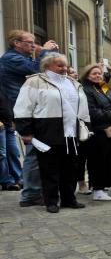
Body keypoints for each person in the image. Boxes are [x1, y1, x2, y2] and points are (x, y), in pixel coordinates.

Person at [13, 53, 90, 213]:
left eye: (65, 65)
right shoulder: (34, 81)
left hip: (71, 132)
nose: (64, 68)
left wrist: (86, 126)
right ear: (47, 66)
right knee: (49, 169)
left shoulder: (73, 83)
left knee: (70, 168)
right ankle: (51, 201)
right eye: (59, 65)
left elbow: (82, 108)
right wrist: (25, 130)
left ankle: (69, 199)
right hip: (47, 131)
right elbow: (23, 106)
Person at [0, 30, 58, 201]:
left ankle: (28, 187)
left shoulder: (19, 58)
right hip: (24, 111)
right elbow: (37, 69)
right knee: (33, 150)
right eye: (29, 42)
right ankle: (30, 192)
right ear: (16, 43)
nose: (33, 45)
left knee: (28, 150)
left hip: (23, 109)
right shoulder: (11, 58)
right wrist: (45, 51)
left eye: (34, 42)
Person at [81, 63, 111, 201]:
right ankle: (98, 190)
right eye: (94, 74)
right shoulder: (86, 90)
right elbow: (92, 113)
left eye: (99, 73)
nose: (98, 76)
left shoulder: (105, 87)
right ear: (87, 76)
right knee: (98, 162)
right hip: (99, 132)